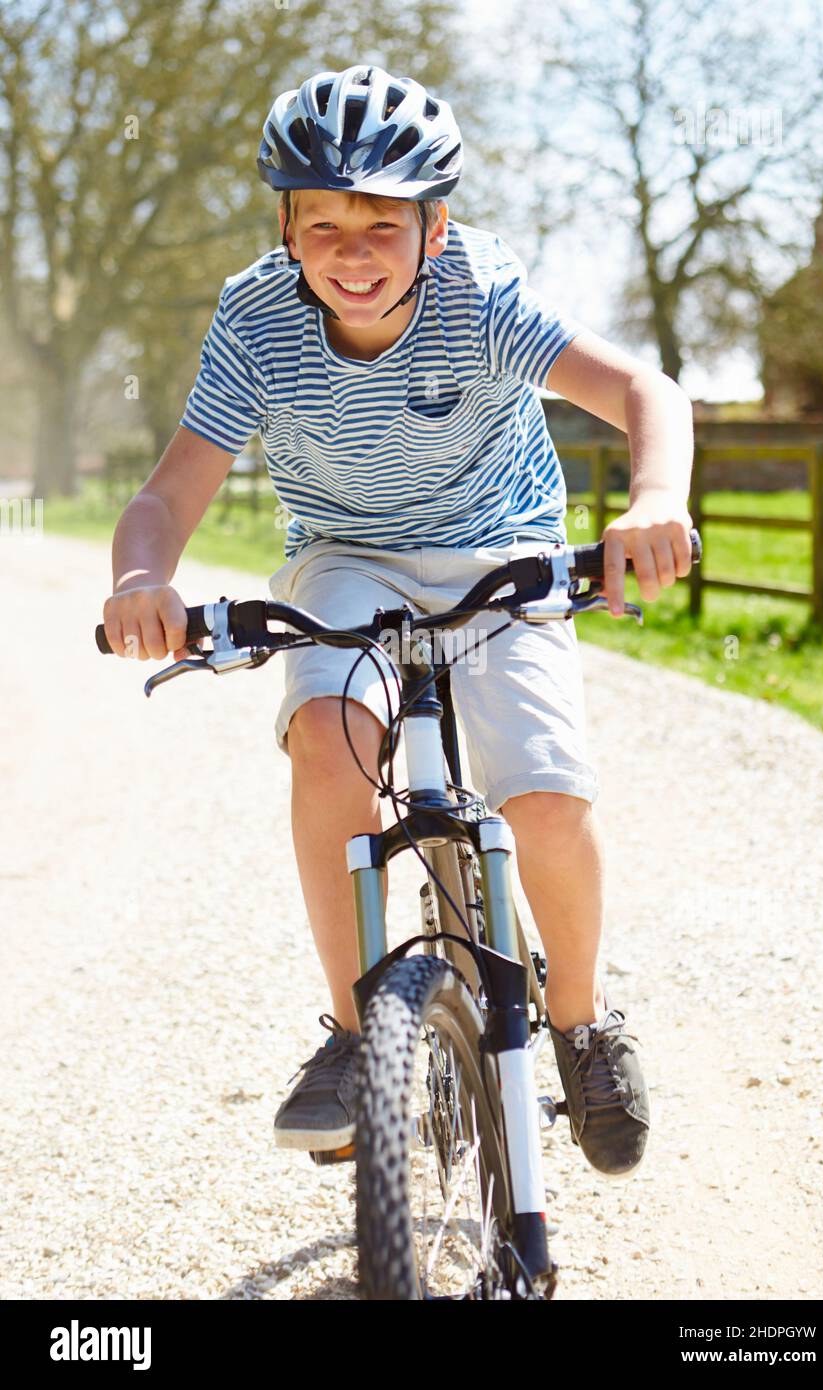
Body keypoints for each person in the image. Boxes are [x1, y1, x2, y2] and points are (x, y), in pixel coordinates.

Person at [102, 64, 694, 1179]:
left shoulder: (479, 292)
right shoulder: (255, 316)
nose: (352, 249)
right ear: (285, 225)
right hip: (345, 557)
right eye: (321, 221)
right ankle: (351, 1028)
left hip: (498, 548)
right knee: (325, 741)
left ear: (435, 224)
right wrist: (143, 578)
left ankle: (580, 1020)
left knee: (544, 796)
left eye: (382, 221)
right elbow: (172, 487)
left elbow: (644, 394)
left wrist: (653, 501)